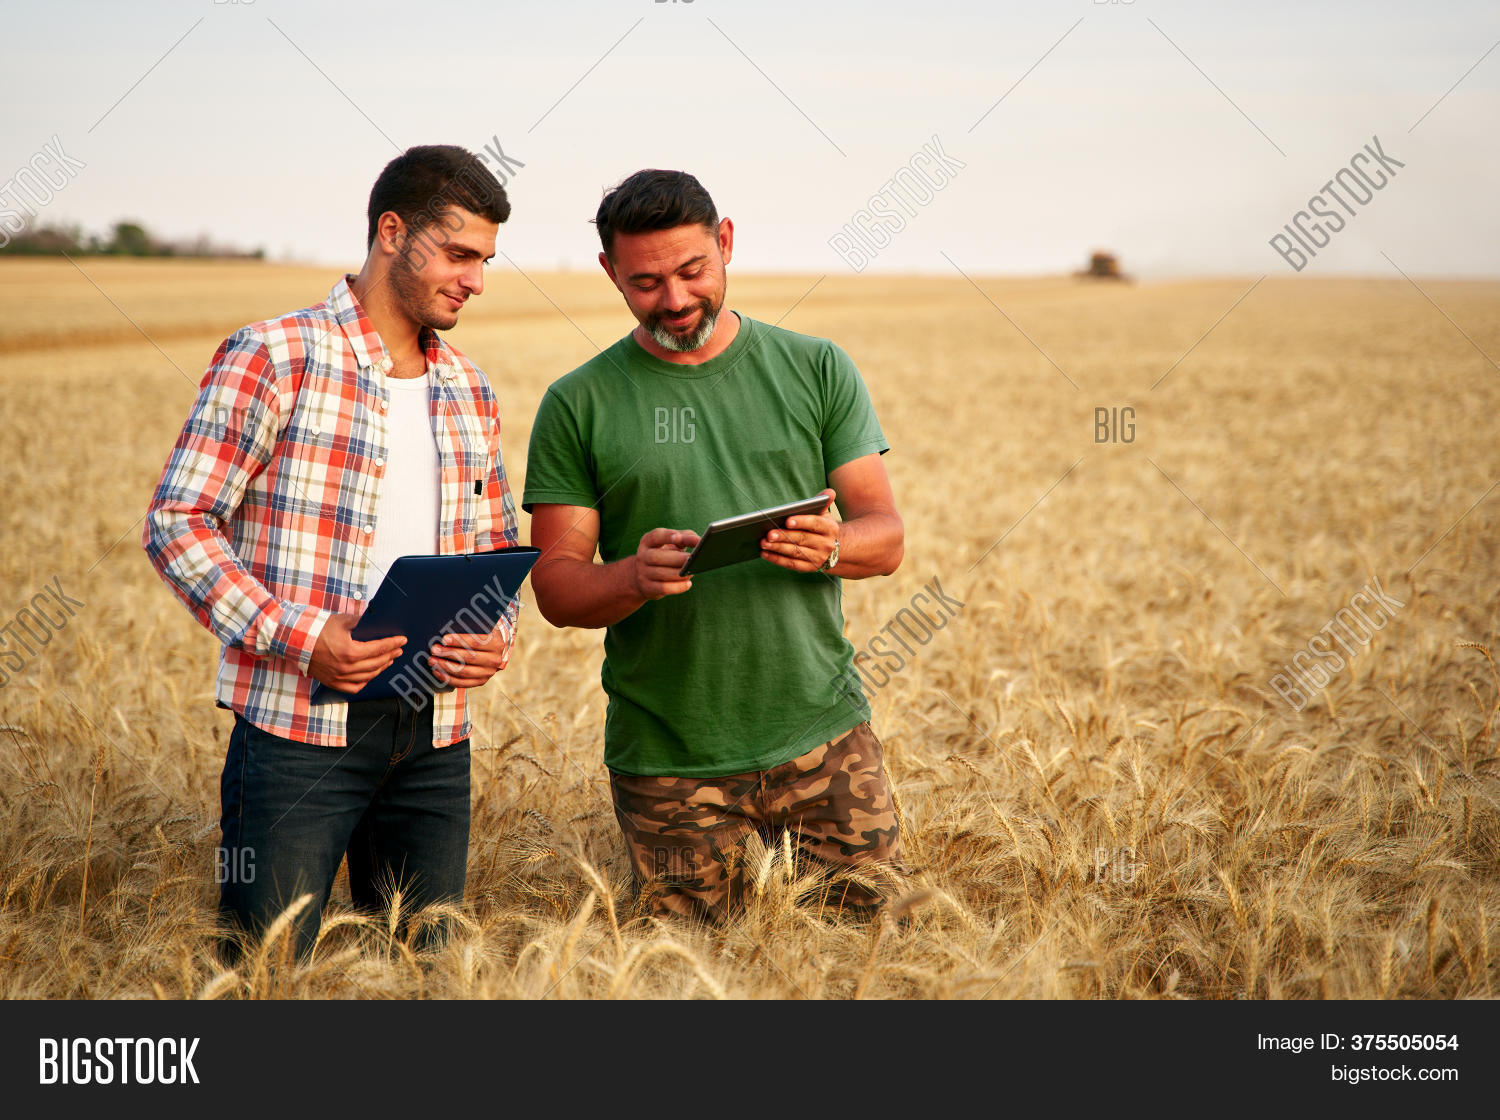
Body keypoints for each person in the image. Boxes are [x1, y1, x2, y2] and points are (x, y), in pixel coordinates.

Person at [143, 144, 520, 959]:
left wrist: (496, 633)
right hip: (295, 732)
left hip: (435, 735)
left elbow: (496, 546)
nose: (476, 280)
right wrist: (304, 638)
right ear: (393, 232)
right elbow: (179, 521)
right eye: (459, 253)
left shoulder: (470, 388)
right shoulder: (276, 356)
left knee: (428, 970)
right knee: (267, 972)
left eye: (485, 261)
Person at [524, 169, 906, 922]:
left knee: (877, 950)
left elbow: (885, 536)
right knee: (692, 973)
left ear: (725, 241)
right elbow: (557, 589)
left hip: (826, 742)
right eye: (645, 282)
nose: (674, 299)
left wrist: (830, 546)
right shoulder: (578, 403)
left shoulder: (816, 367)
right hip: (669, 764)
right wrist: (633, 576)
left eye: (693, 270)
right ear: (609, 273)